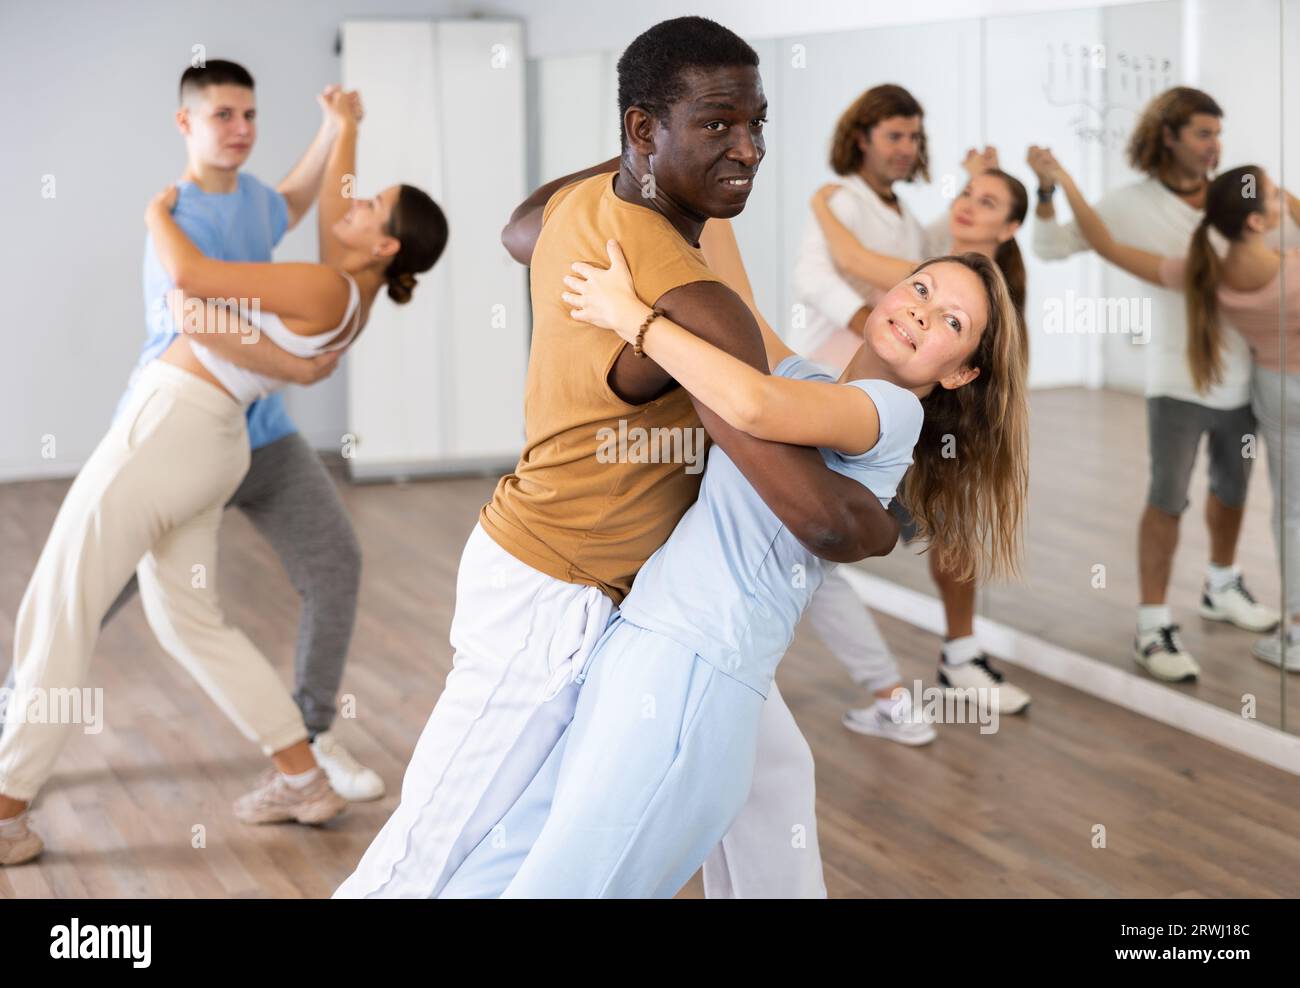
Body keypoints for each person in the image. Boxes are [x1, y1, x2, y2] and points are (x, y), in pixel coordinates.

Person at [334, 16, 901, 901]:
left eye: (755, 123)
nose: (747, 150)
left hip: (631, 595)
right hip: (554, 592)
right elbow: (823, 515)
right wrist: (887, 513)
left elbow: (519, 226)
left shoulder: (588, 212)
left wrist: (649, 161)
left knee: (772, 778)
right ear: (644, 129)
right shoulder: (698, 304)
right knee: (431, 848)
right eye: (716, 125)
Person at [476, 230, 1027, 898]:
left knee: (572, 876)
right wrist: (713, 185)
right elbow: (743, 309)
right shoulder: (815, 383)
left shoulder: (889, 412)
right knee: (765, 787)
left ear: (959, 372)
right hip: (671, 646)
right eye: (921, 288)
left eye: (951, 322)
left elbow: (749, 403)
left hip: (694, 660)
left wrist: (630, 317)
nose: (921, 311)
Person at [0, 86, 448, 866]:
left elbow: (193, 282)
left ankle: (4, 806)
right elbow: (329, 199)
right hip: (211, 441)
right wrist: (343, 127)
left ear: (382, 246)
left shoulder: (323, 286)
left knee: (60, 603)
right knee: (189, 623)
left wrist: (153, 217)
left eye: (371, 205)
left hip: (172, 425)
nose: (353, 199)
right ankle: (303, 777)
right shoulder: (348, 292)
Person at [1027, 86, 1280, 681]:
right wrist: (1047, 190)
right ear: (1168, 135)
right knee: (1167, 498)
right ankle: (1152, 624)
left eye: (1219, 133)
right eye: (1202, 133)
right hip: (1177, 382)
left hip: (1245, 377)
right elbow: (1051, 245)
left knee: (1233, 488)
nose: (1215, 145)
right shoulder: (1127, 203)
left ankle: (1221, 584)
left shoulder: (1238, 198)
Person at [803, 142, 1033, 719]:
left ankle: (956, 654)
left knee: (949, 534)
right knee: (834, 546)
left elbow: (850, 255)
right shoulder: (936, 258)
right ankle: (921, 671)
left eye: (986, 203)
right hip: (895, 418)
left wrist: (820, 204)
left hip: (938, 427)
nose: (966, 206)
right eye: (965, 194)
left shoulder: (989, 292)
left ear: (1009, 227)